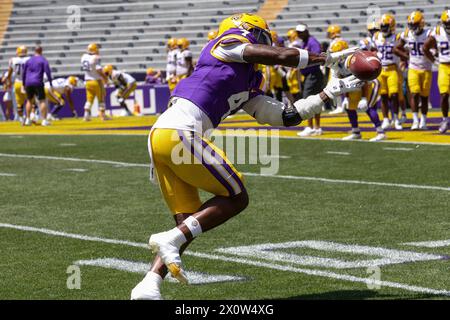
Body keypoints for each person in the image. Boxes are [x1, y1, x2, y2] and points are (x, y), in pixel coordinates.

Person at [130, 13, 362, 300]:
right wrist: (324, 58)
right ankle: (169, 242)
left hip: (164, 136)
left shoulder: (247, 78)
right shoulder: (225, 44)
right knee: (237, 197)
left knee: (189, 222)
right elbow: (278, 55)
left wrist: (329, 93)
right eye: (263, 36)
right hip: (180, 131)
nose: (268, 41)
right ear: (248, 32)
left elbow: (284, 116)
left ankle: (149, 284)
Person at [331, 40, 386, 141]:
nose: (334, 55)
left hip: (369, 83)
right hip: (356, 85)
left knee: (368, 107)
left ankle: (380, 132)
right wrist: (346, 98)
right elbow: (345, 83)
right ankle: (356, 132)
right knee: (349, 107)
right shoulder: (338, 64)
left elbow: (364, 79)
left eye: (336, 53)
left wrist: (364, 98)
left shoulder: (352, 61)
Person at [395, 11, 433, 130]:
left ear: (421, 24)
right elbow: (396, 48)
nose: (412, 27)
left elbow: (437, 46)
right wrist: (406, 57)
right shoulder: (407, 34)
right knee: (414, 94)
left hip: (426, 68)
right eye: (411, 25)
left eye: (415, 24)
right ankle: (415, 120)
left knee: (425, 97)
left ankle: (423, 121)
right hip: (413, 68)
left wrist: (434, 55)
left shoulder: (429, 34)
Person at [373, 13, 403, 130]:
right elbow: (373, 49)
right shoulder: (376, 37)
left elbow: (403, 50)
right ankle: (386, 119)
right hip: (381, 69)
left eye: (385, 26)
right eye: (382, 26)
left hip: (392, 69)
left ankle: (396, 118)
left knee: (394, 95)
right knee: (384, 95)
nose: (383, 29)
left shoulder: (397, 37)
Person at [295, 23, 325, 137]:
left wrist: (305, 63)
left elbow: (317, 56)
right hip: (312, 74)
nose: (299, 34)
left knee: (307, 99)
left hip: (313, 74)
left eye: (301, 32)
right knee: (316, 100)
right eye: (298, 32)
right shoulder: (306, 42)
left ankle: (310, 127)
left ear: (306, 31)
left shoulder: (312, 42)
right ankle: (317, 127)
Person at [423, 9, 450, 134]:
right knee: (444, 94)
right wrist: (434, 61)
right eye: (447, 23)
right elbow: (425, 48)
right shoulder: (438, 32)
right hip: (444, 66)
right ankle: (445, 119)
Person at [22, 46, 52, 126]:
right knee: (42, 100)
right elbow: (48, 72)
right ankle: (44, 120)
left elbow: (24, 73)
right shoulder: (43, 60)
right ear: (41, 51)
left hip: (28, 82)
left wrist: (23, 83)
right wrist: (50, 82)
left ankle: (28, 120)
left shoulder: (28, 60)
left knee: (29, 100)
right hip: (38, 81)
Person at [81, 43, 108, 121]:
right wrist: (105, 78)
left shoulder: (83, 57)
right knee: (101, 98)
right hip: (96, 80)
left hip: (87, 81)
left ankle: (86, 115)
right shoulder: (95, 58)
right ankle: (102, 116)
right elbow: (98, 69)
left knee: (89, 99)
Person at [6, 46, 30, 122]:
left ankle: (21, 118)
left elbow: (9, 73)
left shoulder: (13, 60)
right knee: (30, 100)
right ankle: (29, 118)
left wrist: (9, 81)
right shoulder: (29, 59)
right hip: (26, 82)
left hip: (17, 83)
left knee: (19, 103)